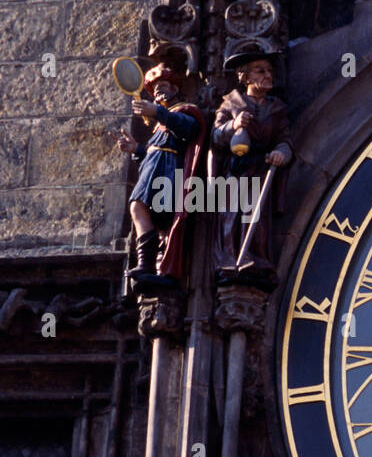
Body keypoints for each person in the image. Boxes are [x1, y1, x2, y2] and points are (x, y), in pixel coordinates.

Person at [114, 64, 205, 284]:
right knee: (142, 210)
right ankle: (149, 265)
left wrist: (158, 113)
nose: (158, 91)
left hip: (169, 172)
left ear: (175, 88)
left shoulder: (184, 110)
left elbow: (189, 129)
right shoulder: (160, 125)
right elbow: (154, 153)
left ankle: (152, 265)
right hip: (154, 167)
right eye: (154, 88)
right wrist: (136, 149)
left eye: (163, 86)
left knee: (145, 210)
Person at [209, 53, 292, 288]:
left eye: (269, 71)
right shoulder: (231, 103)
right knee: (233, 215)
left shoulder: (277, 109)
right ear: (245, 77)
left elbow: (285, 140)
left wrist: (282, 153)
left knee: (258, 219)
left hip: (262, 167)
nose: (267, 75)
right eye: (260, 71)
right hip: (237, 168)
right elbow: (215, 137)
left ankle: (256, 258)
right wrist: (233, 125)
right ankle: (230, 258)